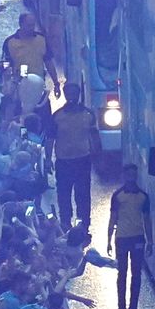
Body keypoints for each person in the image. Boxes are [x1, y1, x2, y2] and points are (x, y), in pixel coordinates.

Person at [108, 163, 152, 309]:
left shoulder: (143, 197)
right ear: (125, 176)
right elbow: (113, 218)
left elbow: (147, 220)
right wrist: (109, 239)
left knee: (136, 275)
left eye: (133, 175)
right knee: (122, 274)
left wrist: (150, 240)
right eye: (129, 174)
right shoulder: (118, 196)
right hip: (122, 238)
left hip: (137, 237)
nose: (131, 178)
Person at [50, 84, 99, 231]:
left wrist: (98, 155)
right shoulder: (57, 116)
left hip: (82, 160)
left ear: (78, 95)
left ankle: (84, 223)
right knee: (64, 194)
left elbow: (94, 136)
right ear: (65, 95)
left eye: (74, 94)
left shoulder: (88, 115)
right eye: (68, 94)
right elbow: (50, 139)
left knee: (83, 193)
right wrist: (47, 159)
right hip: (64, 162)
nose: (71, 97)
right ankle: (65, 222)